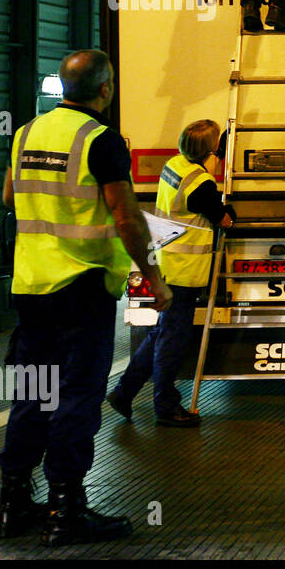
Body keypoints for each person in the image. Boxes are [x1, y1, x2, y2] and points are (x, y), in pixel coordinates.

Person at [0, 50, 173, 547]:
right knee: (76, 399)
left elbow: (11, 198)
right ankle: (66, 511)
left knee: (33, 395)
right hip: (82, 291)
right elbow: (125, 217)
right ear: (106, 88)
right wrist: (155, 279)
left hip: (30, 289)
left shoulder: (27, 133)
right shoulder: (102, 140)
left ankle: (12, 506)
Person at [107, 120, 233, 428]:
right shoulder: (201, 183)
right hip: (186, 271)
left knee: (161, 333)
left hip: (168, 261)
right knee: (172, 339)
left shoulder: (174, 166)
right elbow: (224, 220)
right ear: (210, 150)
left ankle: (124, 392)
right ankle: (165, 405)